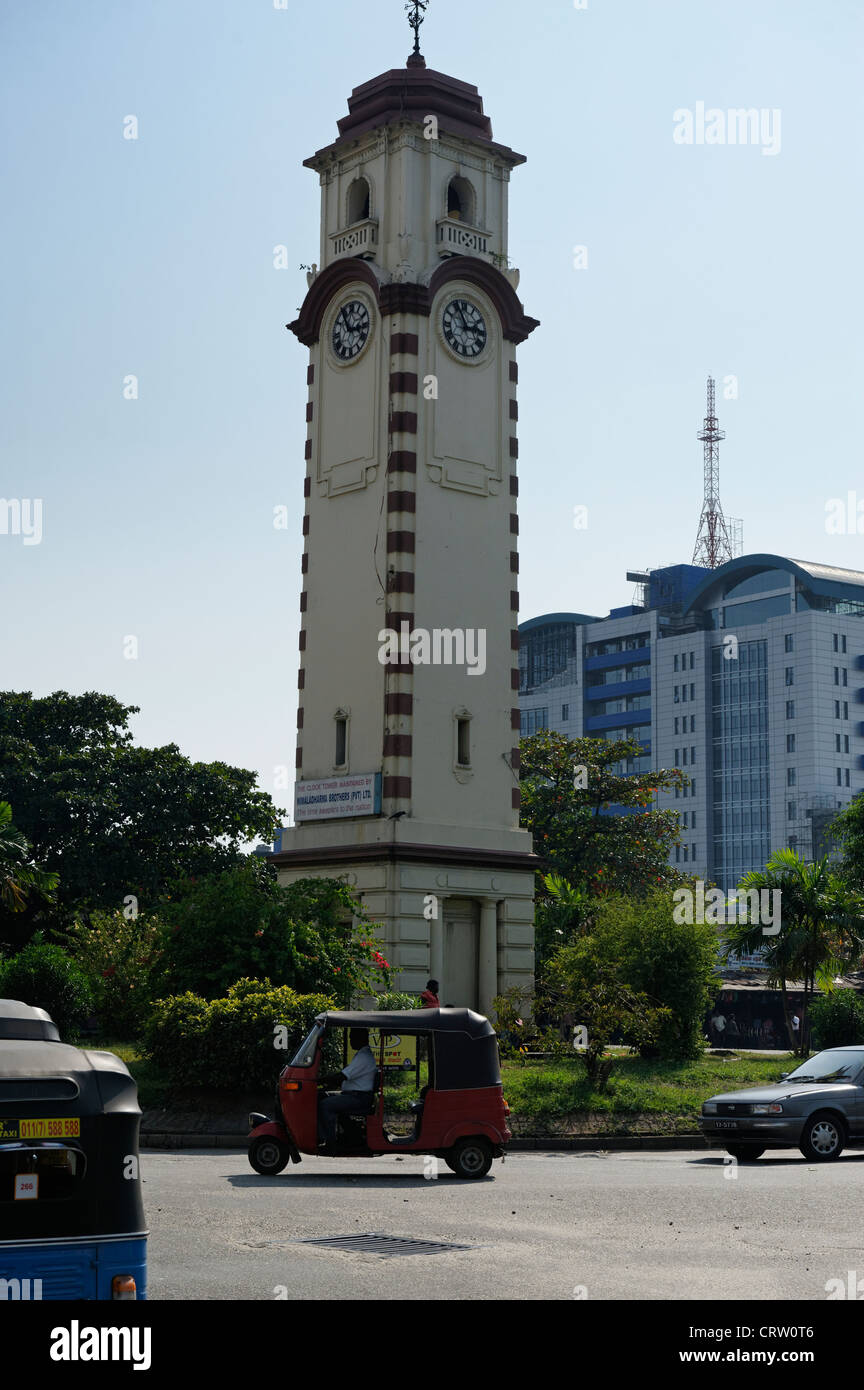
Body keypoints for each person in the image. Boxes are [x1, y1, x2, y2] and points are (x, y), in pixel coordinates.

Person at [317, 1028, 377, 1146]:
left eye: (352, 1038)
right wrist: (325, 1085)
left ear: (361, 1039)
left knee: (325, 1105)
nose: (350, 1041)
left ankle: (329, 1141)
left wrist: (319, 1080)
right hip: (355, 1095)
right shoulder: (362, 1054)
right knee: (320, 1096)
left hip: (359, 1098)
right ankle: (327, 1135)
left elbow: (342, 1076)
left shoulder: (363, 1057)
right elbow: (346, 1077)